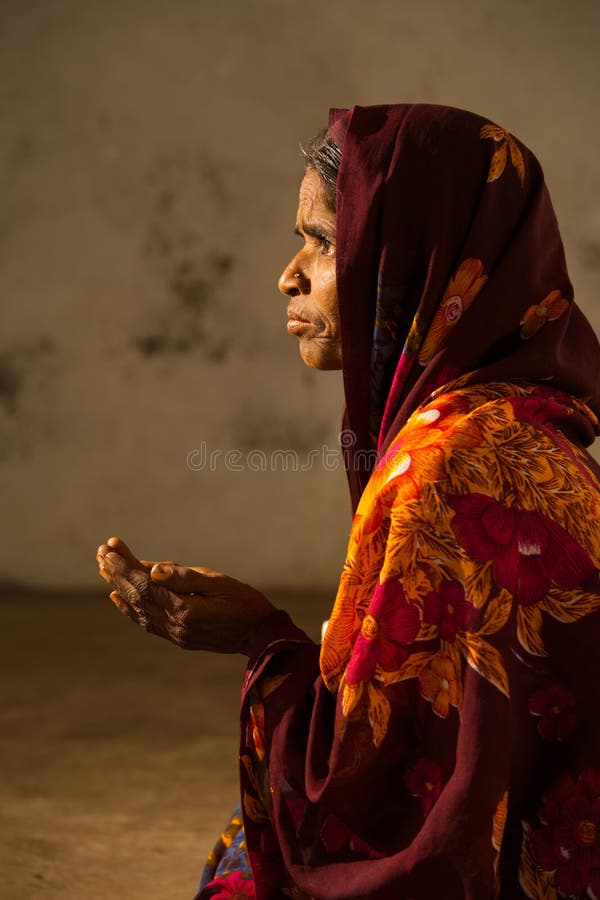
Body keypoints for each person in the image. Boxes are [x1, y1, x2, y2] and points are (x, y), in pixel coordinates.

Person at [96, 104, 600, 899]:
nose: (289, 275)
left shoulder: (443, 468)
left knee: (244, 865)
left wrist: (259, 638)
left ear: (416, 260)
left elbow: (378, 808)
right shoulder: (521, 426)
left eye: (323, 241)